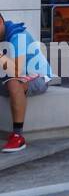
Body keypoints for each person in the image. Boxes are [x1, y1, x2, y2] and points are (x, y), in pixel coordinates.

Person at [0, 10, 54, 152]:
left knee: (13, 81)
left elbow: (16, 71)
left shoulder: (18, 36)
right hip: (7, 77)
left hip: (37, 77)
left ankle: (18, 136)